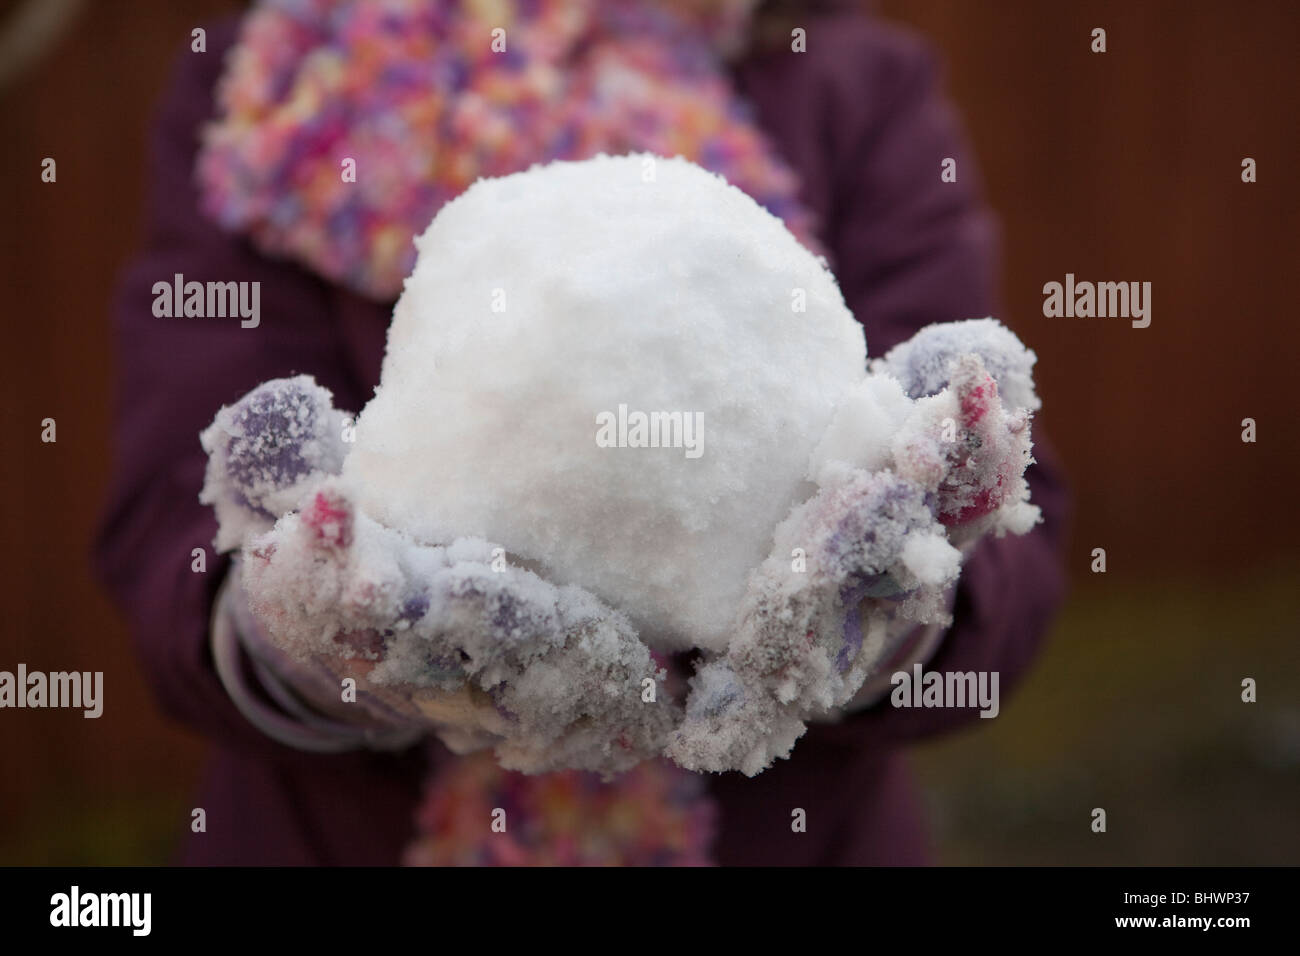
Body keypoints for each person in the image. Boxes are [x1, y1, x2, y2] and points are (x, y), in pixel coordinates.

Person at [94, 0, 1069, 866]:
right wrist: (309, 638)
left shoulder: (853, 86)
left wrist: (892, 608)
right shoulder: (273, 96)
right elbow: (169, 526)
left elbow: (1008, 550)